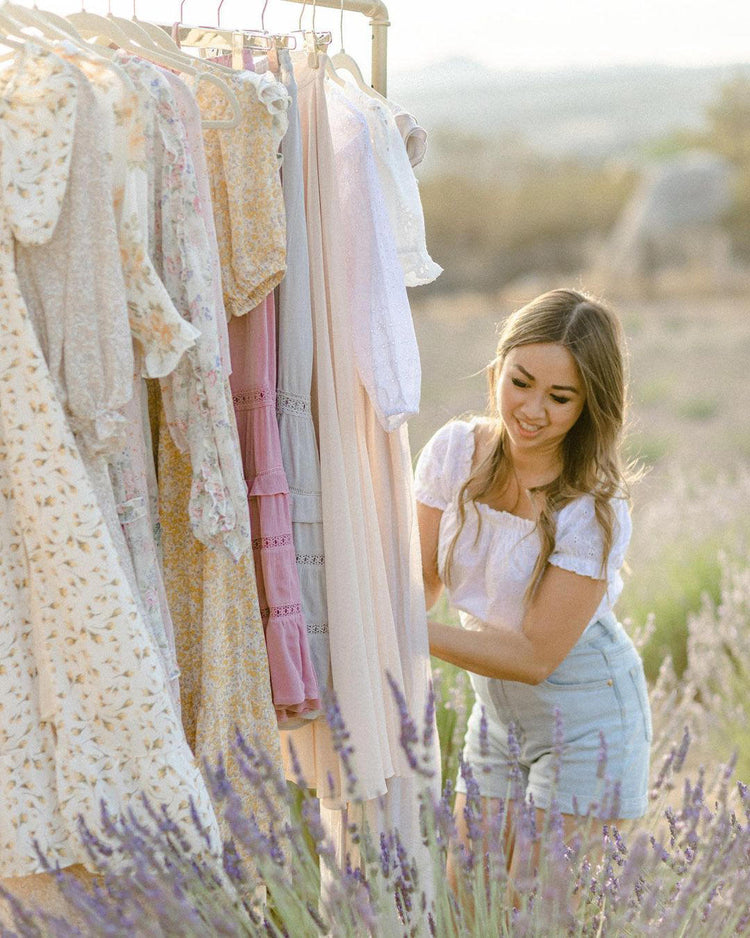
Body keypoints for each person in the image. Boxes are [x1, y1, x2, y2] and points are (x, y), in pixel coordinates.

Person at [414, 288, 651, 891]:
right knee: (468, 907)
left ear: (587, 408)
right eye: (520, 382)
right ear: (496, 370)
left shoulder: (592, 508)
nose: (533, 409)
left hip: (588, 720)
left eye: (560, 397)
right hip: (496, 717)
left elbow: (535, 657)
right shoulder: (453, 453)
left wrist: (402, 632)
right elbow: (420, 585)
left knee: (533, 916)